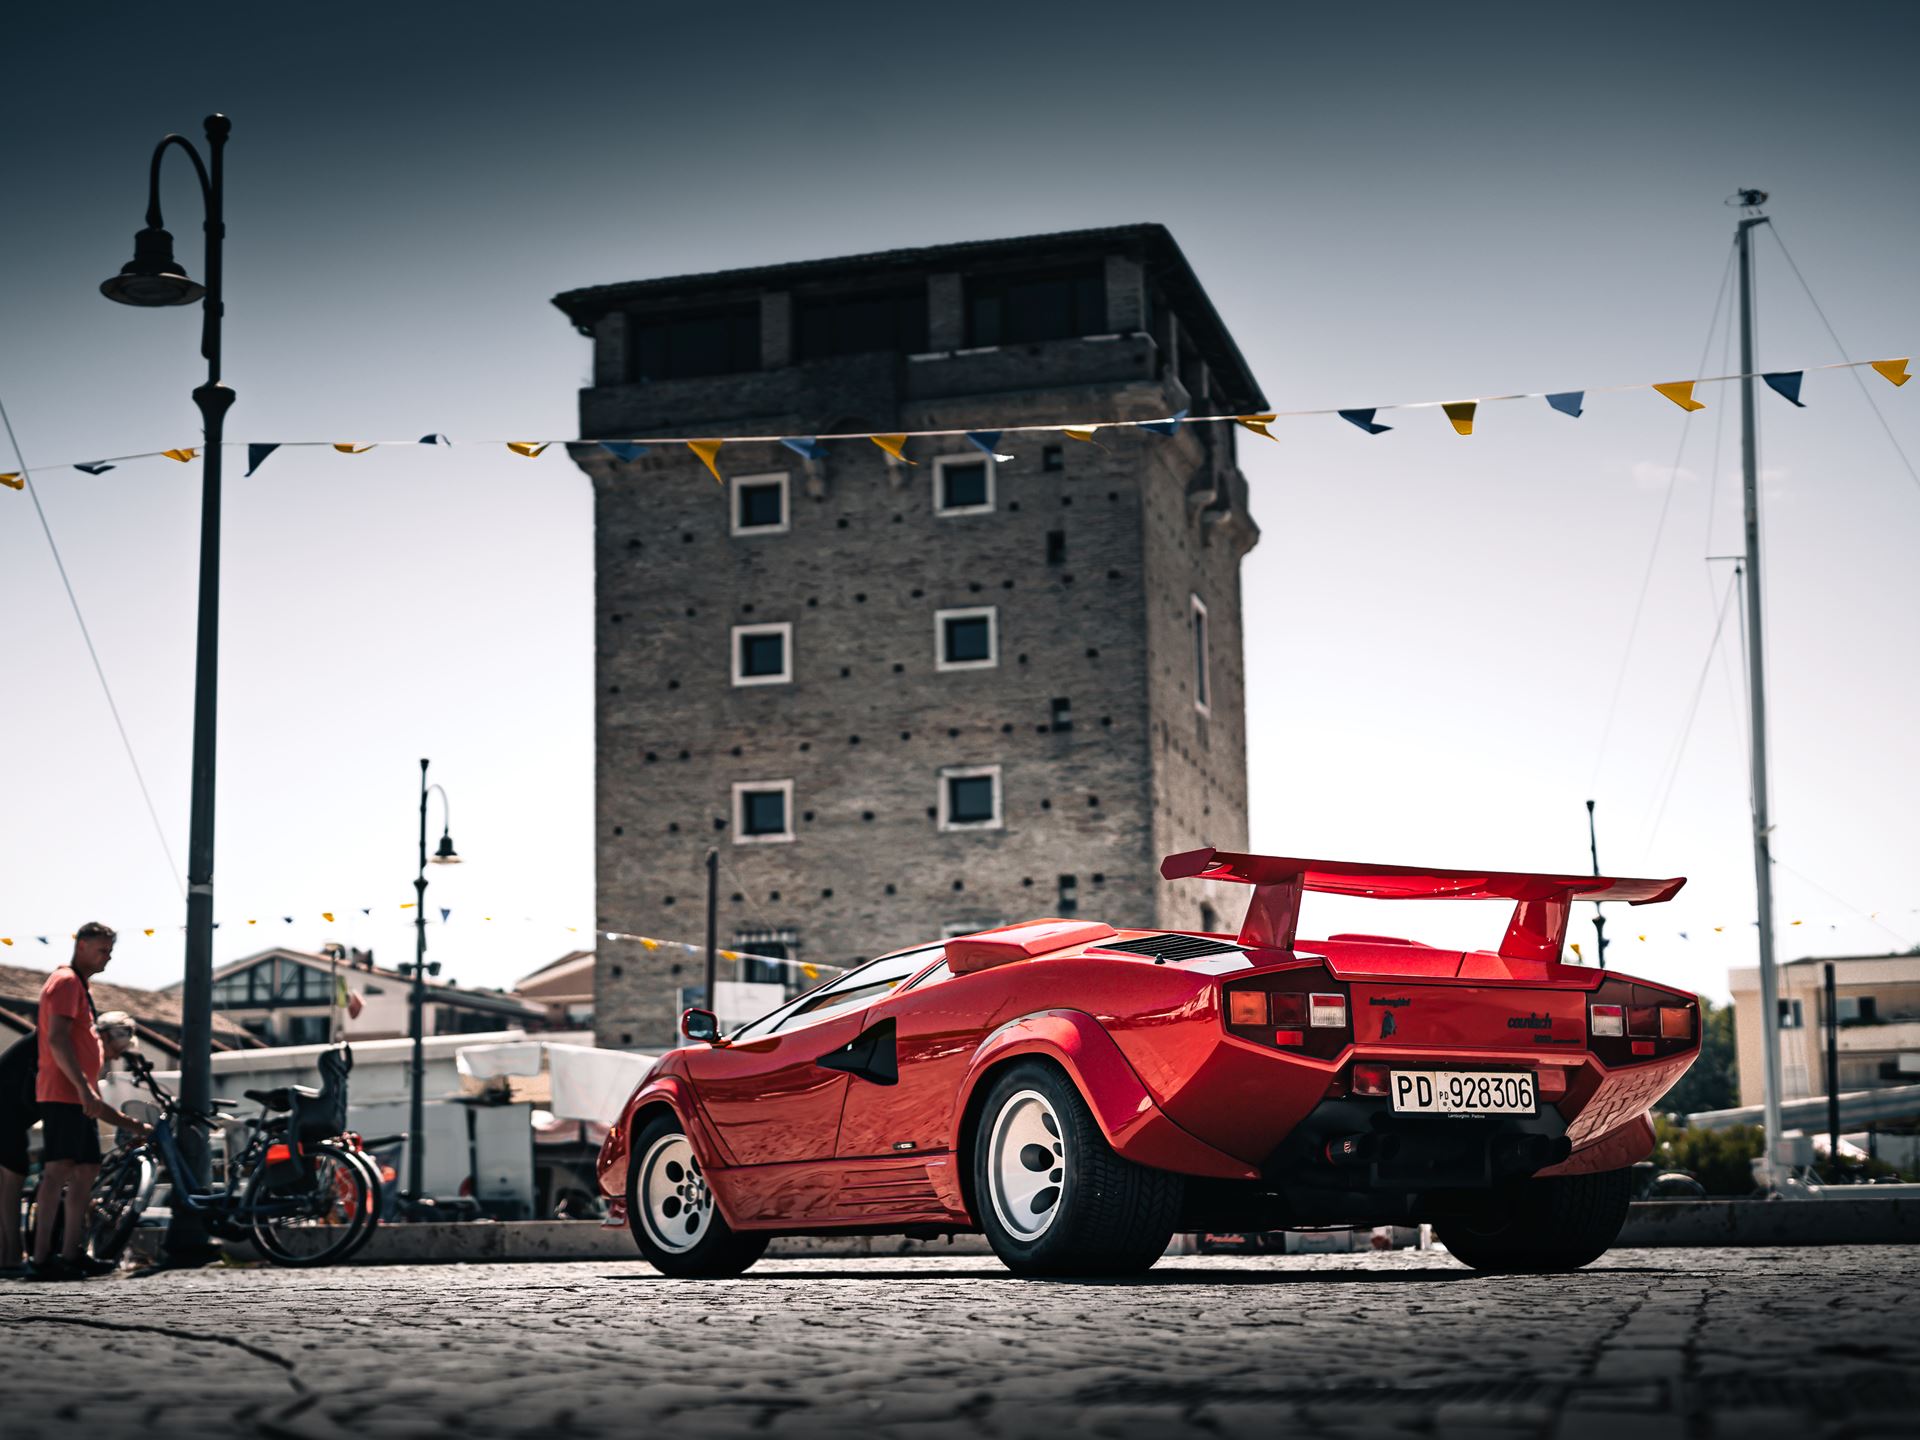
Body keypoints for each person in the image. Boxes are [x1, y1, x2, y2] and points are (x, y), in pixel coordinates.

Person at [27, 923, 144, 1281]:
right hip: (64, 1093)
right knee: (58, 1169)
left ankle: (71, 1251)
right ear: (81, 945)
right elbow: (58, 1039)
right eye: (101, 949)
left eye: (109, 950)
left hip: (78, 1094)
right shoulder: (64, 981)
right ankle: (42, 1255)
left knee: (86, 1170)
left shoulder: (80, 985)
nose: (107, 956)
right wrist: (82, 1087)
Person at [1, 1010, 144, 1275]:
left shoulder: (78, 1042)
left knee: (10, 1179)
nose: (115, 1058)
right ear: (107, 1037)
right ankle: (11, 1258)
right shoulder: (86, 1047)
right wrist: (135, 1126)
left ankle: (11, 1255)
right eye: (117, 1050)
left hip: (11, 1109)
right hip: (6, 1111)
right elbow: (93, 1103)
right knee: (12, 1178)